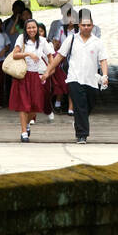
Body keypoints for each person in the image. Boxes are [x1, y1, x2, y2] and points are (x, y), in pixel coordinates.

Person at [43, 8, 108, 144]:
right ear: (79, 25)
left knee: (88, 105)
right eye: (83, 25)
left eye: (88, 25)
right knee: (80, 106)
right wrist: (48, 70)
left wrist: (105, 75)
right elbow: (60, 56)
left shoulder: (97, 42)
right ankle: (82, 135)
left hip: (91, 79)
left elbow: (103, 60)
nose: (86, 27)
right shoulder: (71, 39)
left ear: (92, 26)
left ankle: (79, 122)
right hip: (74, 78)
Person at [8, 18, 52, 142]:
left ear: (37, 29)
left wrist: (47, 72)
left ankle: (27, 124)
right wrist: (28, 54)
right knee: (23, 105)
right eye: (29, 28)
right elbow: (15, 54)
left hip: (35, 76)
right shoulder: (21, 39)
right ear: (25, 29)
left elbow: (50, 58)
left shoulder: (42, 41)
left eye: (33, 27)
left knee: (35, 106)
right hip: (22, 75)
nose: (31, 30)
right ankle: (23, 132)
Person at [47, 10, 76, 119]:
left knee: (73, 82)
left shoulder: (78, 32)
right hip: (61, 59)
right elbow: (55, 42)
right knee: (61, 81)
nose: (70, 21)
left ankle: (70, 108)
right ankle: (58, 103)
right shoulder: (61, 30)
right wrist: (56, 44)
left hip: (74, 59)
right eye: (68, 18)